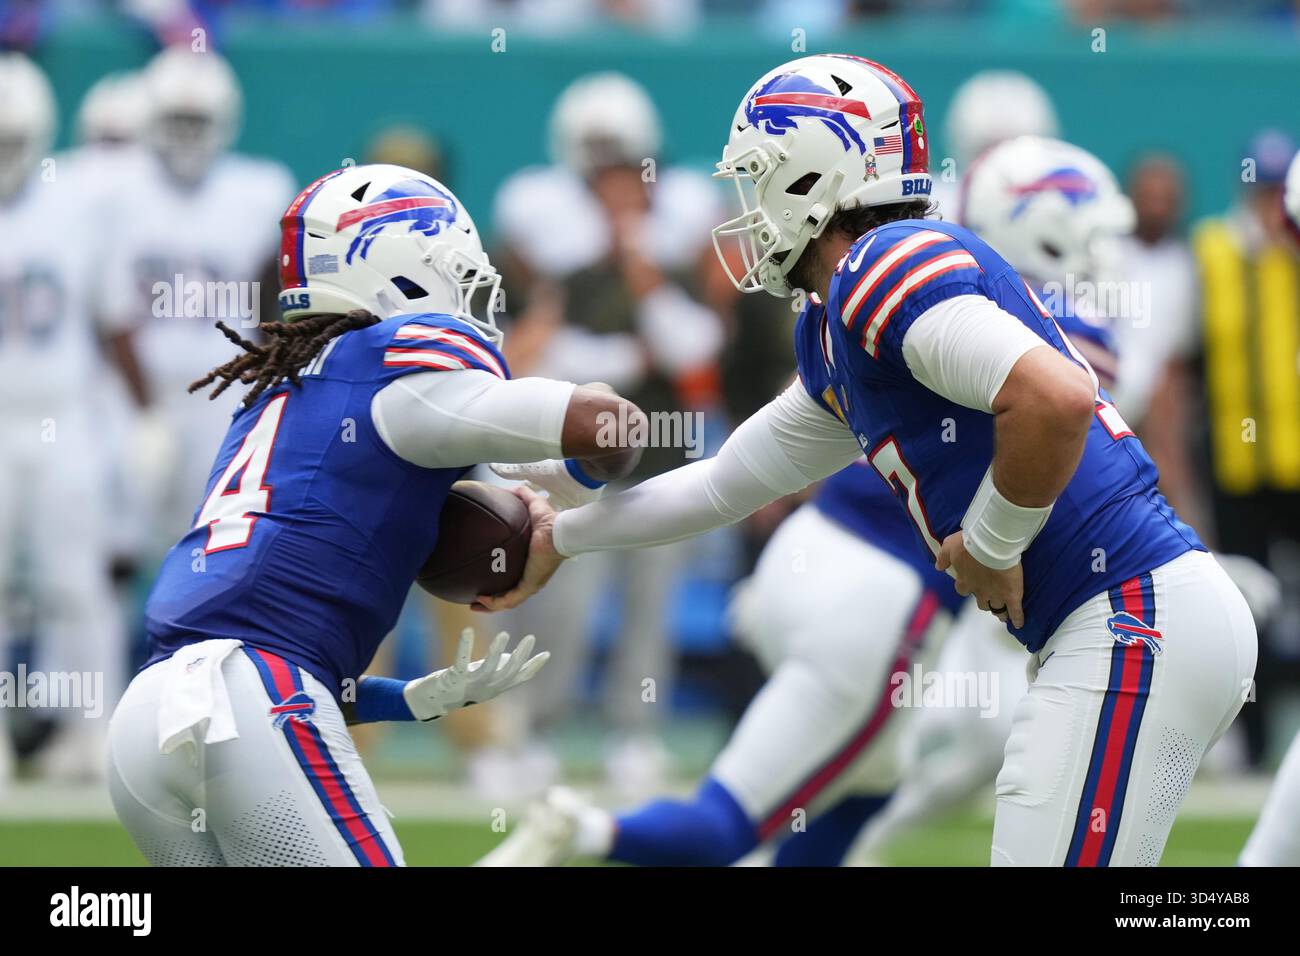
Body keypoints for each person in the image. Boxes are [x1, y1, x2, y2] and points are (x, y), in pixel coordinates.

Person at [480, 54, 1258, 867]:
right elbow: (721, 484)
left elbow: (1055, 398)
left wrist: (990, 545)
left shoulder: (880, 267)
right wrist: (560, 540)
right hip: (1130, 621)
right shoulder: (834, 325)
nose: (747, 204)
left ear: (818, 174)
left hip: (1132, 617)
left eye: (761, 175)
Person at [106, 163, 646, 866]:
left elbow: (240, 639)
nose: (469, 291)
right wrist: (562, 498)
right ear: (405, 270)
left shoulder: (275, 397)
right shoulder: (398, 377)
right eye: (455, 268)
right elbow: (612, 427)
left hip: (148, 719)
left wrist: (411, 698)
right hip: (253, 698)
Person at [0, 53, 130, 782]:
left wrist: (137, 417)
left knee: (76, 583)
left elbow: (113, 324)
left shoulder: (75, 204)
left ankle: (96, 729)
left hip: (61, 416)